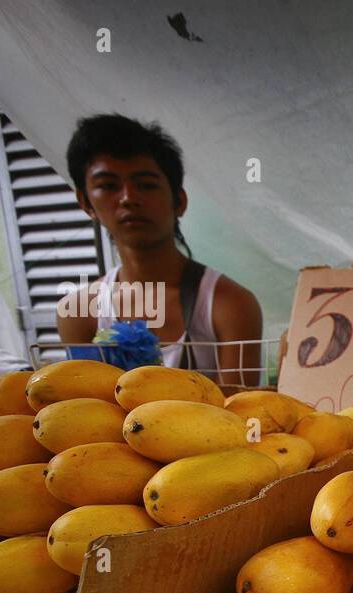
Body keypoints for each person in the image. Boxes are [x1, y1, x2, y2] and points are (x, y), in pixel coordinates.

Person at [55, 114, 263, 389]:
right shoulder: (79, 313)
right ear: (85, 202)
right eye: (108, 186)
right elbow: (80, 410)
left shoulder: (230, 305)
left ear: (179, 200)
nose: (129, 198)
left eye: (146, 184)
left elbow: (236, 416)